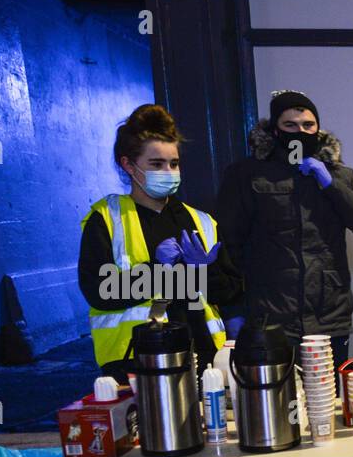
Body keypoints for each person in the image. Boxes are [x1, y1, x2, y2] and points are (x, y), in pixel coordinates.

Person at [217, 90, 353, 457]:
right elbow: (228, 244)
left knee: (326, 409)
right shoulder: (247, 176)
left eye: (308, 125)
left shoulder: (335, 172)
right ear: (274, 129)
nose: (299, 133)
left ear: (319, 129)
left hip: (328, 311)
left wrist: (330, 184)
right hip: (272, 316)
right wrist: (232, 310)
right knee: (289, 410)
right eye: (289, 125)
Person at [78, 104, 242, 384]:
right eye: (156, 164)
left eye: (174, 163)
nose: (168, 171)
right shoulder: (106, 219)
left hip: (203, 358)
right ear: (128, 165)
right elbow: (99, 291)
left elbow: (230, 293)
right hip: (136, 361)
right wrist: (156, 268)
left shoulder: (200, 221)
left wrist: (207, 270)